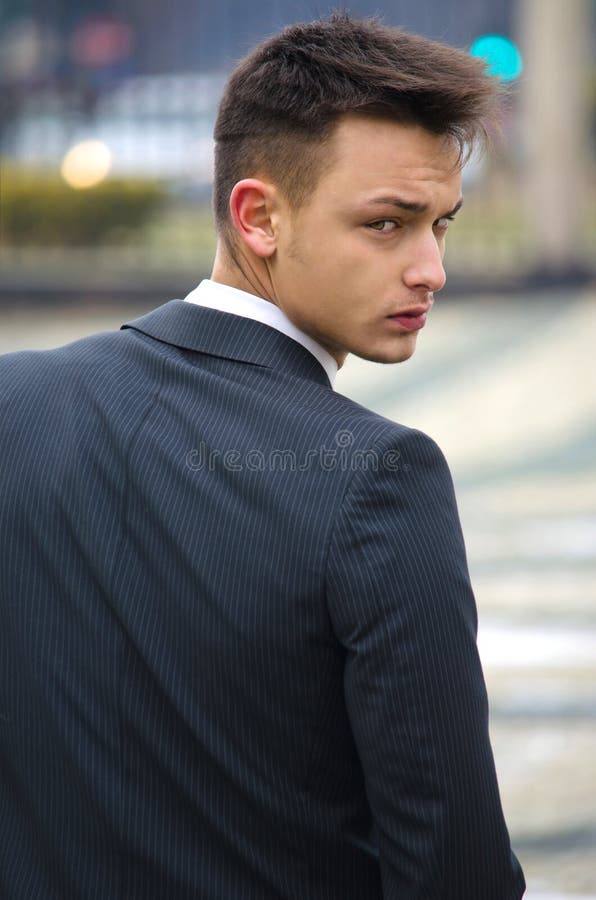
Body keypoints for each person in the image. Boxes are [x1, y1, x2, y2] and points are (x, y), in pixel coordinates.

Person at [0, 13, 525, 900]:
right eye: (388, 225)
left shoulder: (14, 402)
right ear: (259, 218)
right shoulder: (379, 477)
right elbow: (454, 869)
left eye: (442, 223)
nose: (432, 267)